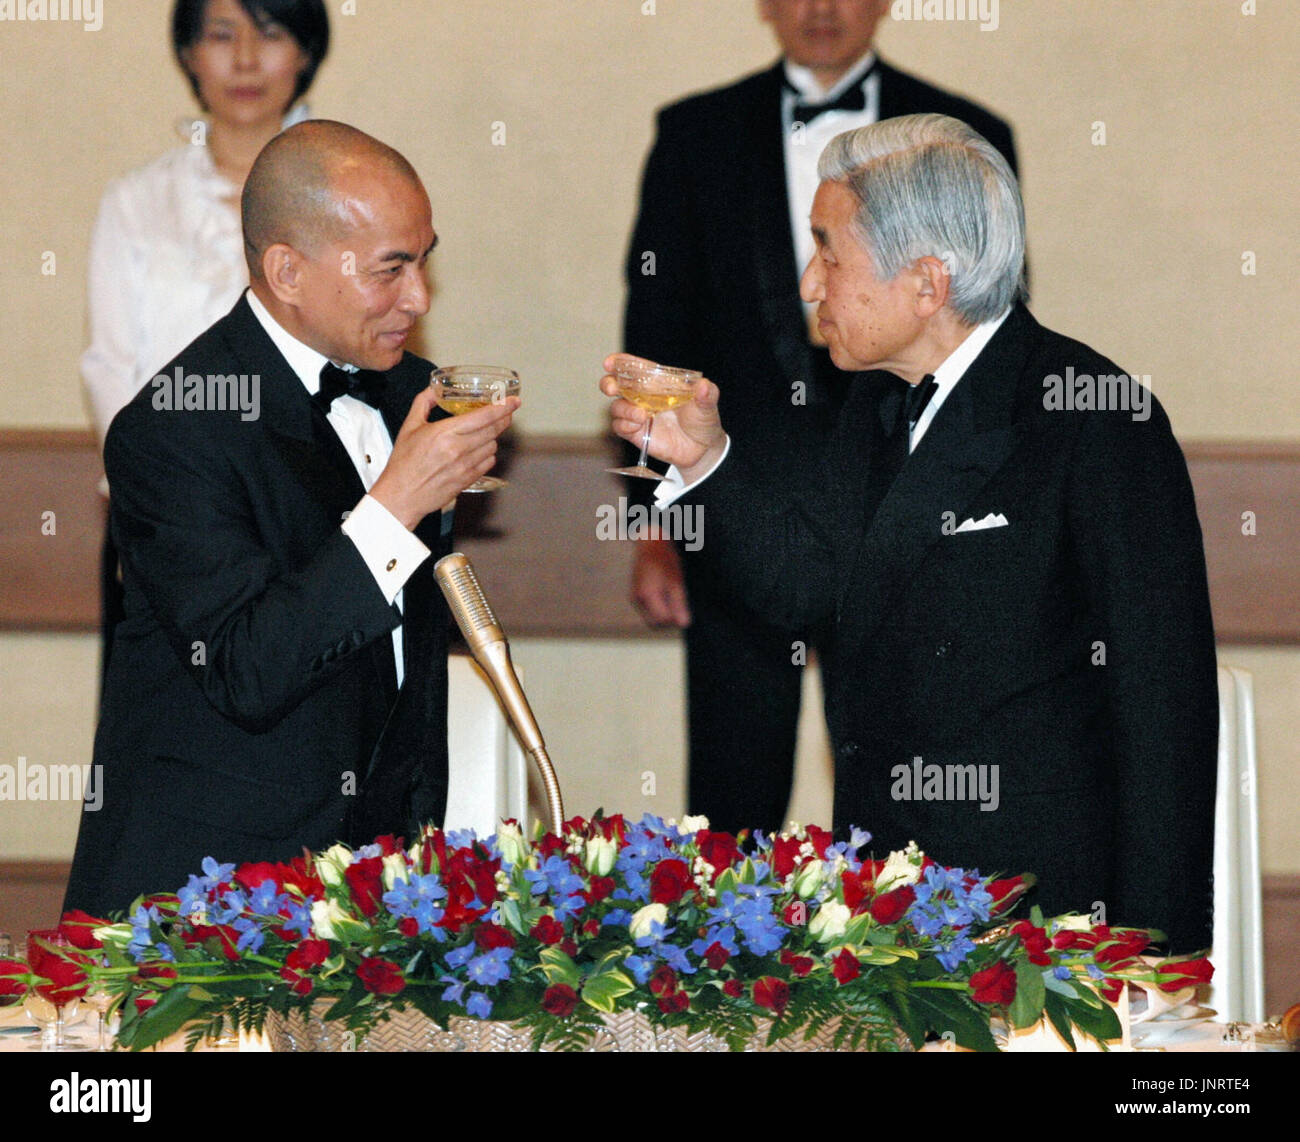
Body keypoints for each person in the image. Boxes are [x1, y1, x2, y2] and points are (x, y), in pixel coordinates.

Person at [604, 114, 1218, 952]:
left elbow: (1164, 715)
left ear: (927, 284)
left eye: (828, 252)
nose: (809, 284)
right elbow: (803, 587)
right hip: (894, 909)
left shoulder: (1095, 420)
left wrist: (1157, 961)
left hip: (1045, 927)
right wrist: (705, 461)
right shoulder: (879, 404)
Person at [63, 120, 518, 917]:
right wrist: (397, 504)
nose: (418, 297)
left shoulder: (410, 392)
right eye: (391, 269)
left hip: (375, 893)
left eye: (424, 260)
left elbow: (401, 667)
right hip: (206, 904)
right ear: (287, 271)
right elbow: (249, 668)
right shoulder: (173, 428)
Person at [622, 0, 1018, 835]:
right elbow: (658, 326)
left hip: (907, 495)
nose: (823, 8)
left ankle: (909, 955)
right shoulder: (696, 132)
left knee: (905, 762)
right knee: (732, 778)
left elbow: (992, 325)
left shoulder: (967, 136)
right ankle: (726, 957)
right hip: (734, 494)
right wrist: (659, 518)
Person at [82, 0, 330, 681]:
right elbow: (110, 367)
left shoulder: (347, 200)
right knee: (162, 741)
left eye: (271, 32)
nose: (245, 59)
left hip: (313, 513)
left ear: (306, 50)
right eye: (221, 35)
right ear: (189, 55)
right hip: (166, 514)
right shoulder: (136, 201)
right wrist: (147, 505)